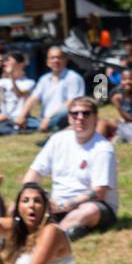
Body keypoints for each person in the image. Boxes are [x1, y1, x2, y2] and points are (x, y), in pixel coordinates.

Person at [21, 96, 118, 241]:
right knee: (16, 208)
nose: (80, 118)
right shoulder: (58, 140)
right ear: (69, 118)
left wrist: (69, 205)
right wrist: (40, 198)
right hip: (56, 204)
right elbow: (32, 175)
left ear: (95, 117)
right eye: (75, 114)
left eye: (86, 113)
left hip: (93, 206)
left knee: (88, 211)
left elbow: (99, 192)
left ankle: (52, 239)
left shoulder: (103, 148)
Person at [14, 46, 85, 133]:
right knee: (15, 118)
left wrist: (49, 118)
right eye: (52, 58)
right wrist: (22, 115)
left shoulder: (73, 78)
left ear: (66, 60)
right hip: (44, 119)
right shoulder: (44, 79)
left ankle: (44, 127)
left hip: (63, 118)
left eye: (59, 57)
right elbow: (33, 98)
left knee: (65, 113)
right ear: (48, 62)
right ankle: (34, 126)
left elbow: (71, 103)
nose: (56, 60)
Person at [101, 67, 132, 140]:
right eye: (124, 79)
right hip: (126, 124)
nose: (127, 82)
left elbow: (131, 119)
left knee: (103, 124)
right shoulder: (124, 94)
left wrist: (117, 105)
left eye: (131, 79)